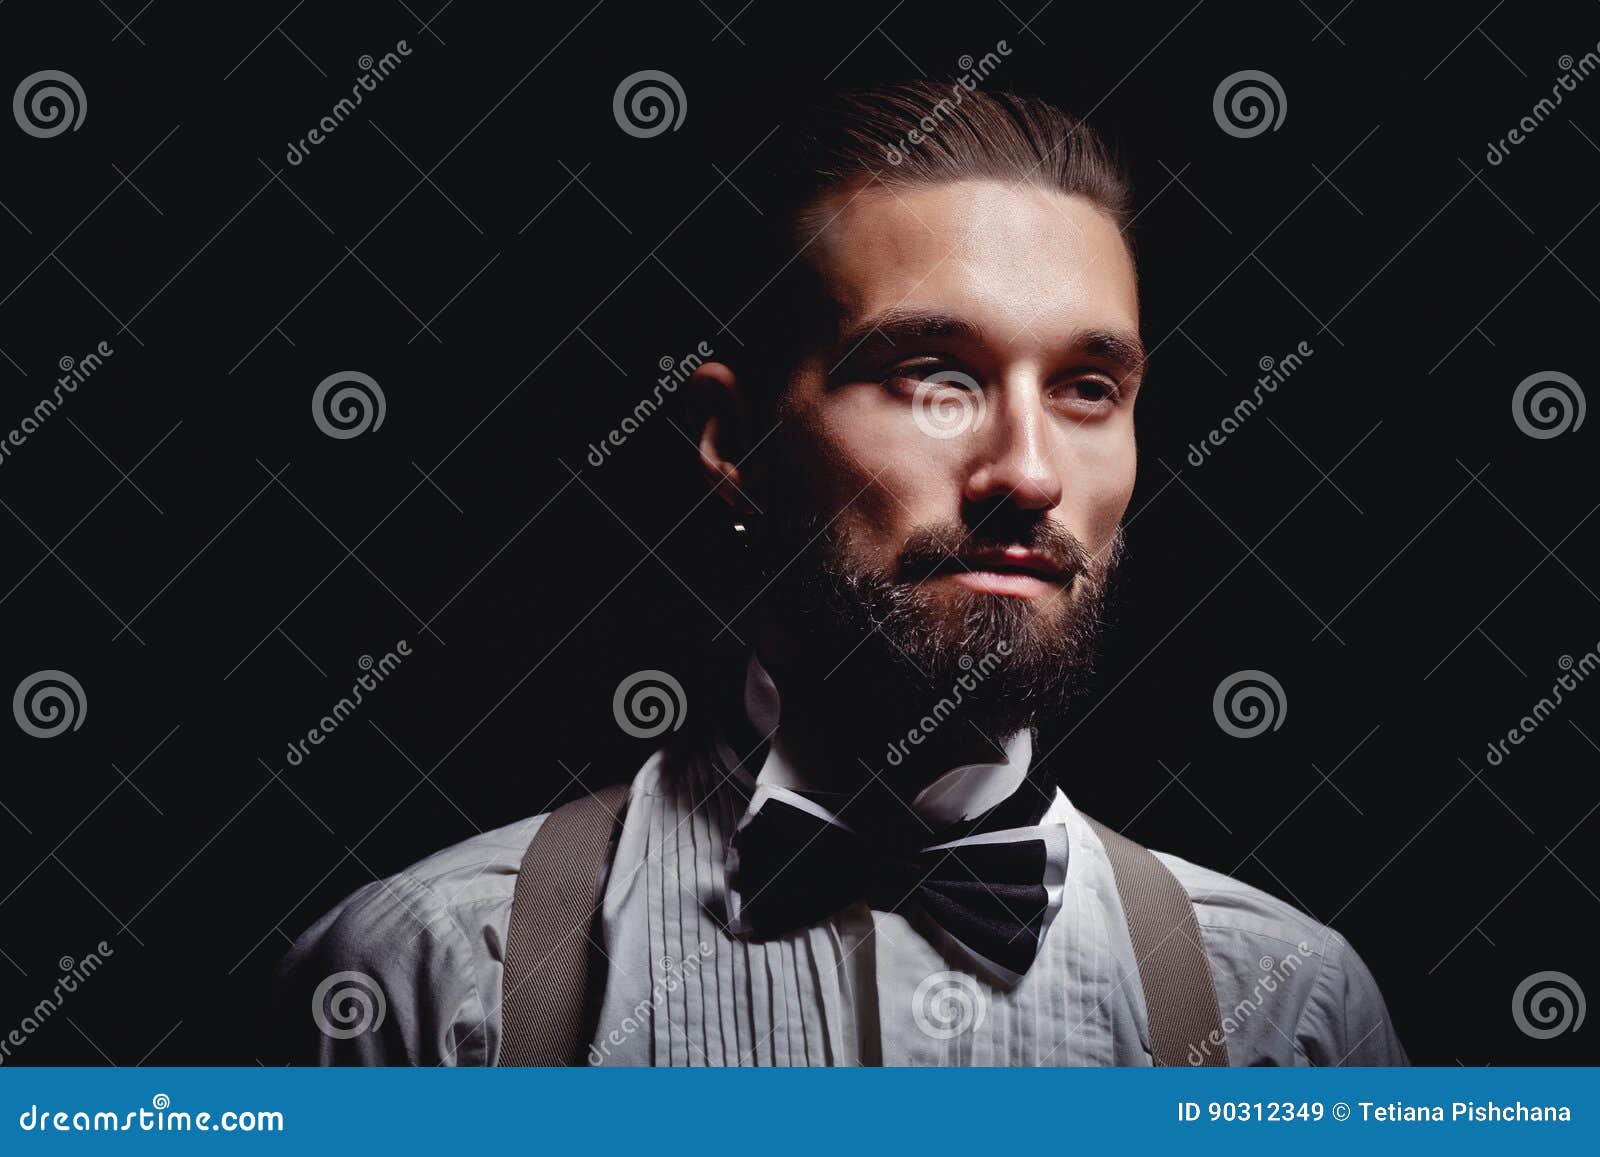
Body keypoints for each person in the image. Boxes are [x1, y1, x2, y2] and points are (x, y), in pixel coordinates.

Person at [279, 81, 1407, 1067]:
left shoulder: (1289, 1008)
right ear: (732, 444)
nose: (1026, 470)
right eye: (932, 376)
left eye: (1086, 389)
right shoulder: (429, 986)